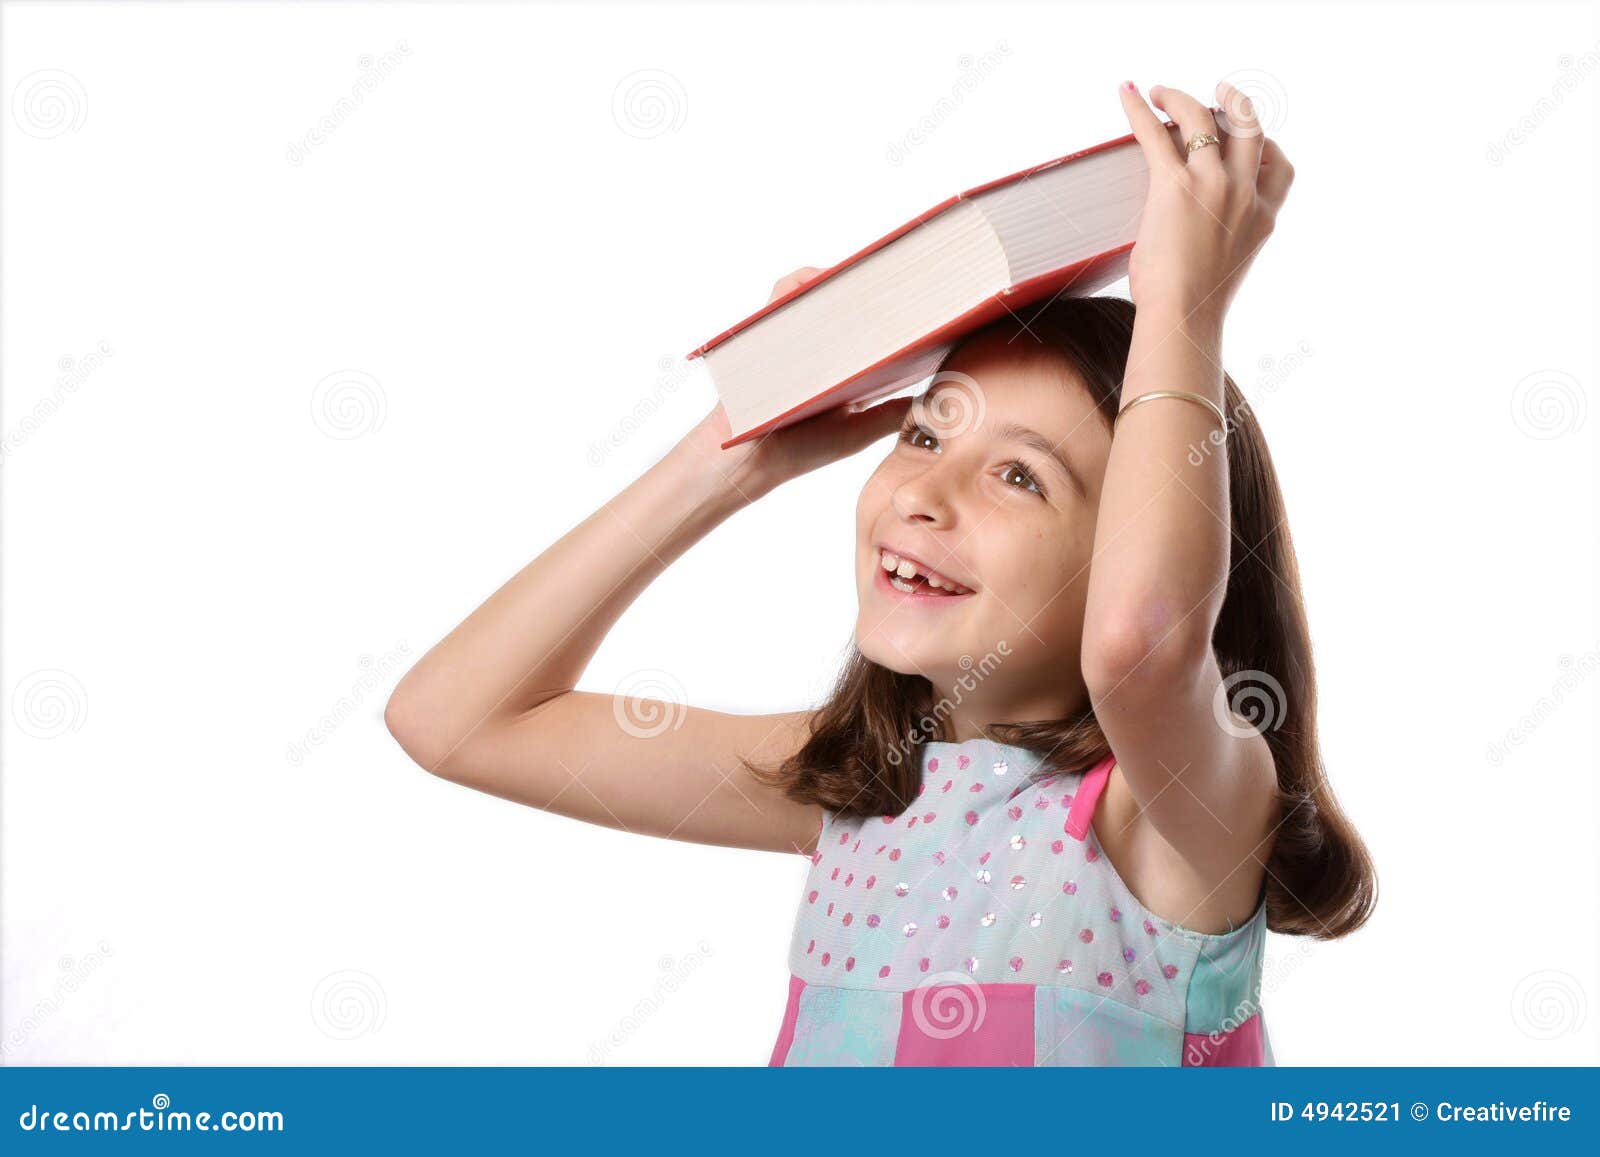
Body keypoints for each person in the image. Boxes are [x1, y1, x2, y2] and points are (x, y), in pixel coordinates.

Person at [384, 79, 1376, 1066]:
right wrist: (730, 459)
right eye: (921, 433)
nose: (921, 494)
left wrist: (1183, 308)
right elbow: (456, 720)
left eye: (1019, 475)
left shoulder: (1184, 809)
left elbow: (1140, 646)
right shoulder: (858, 789)